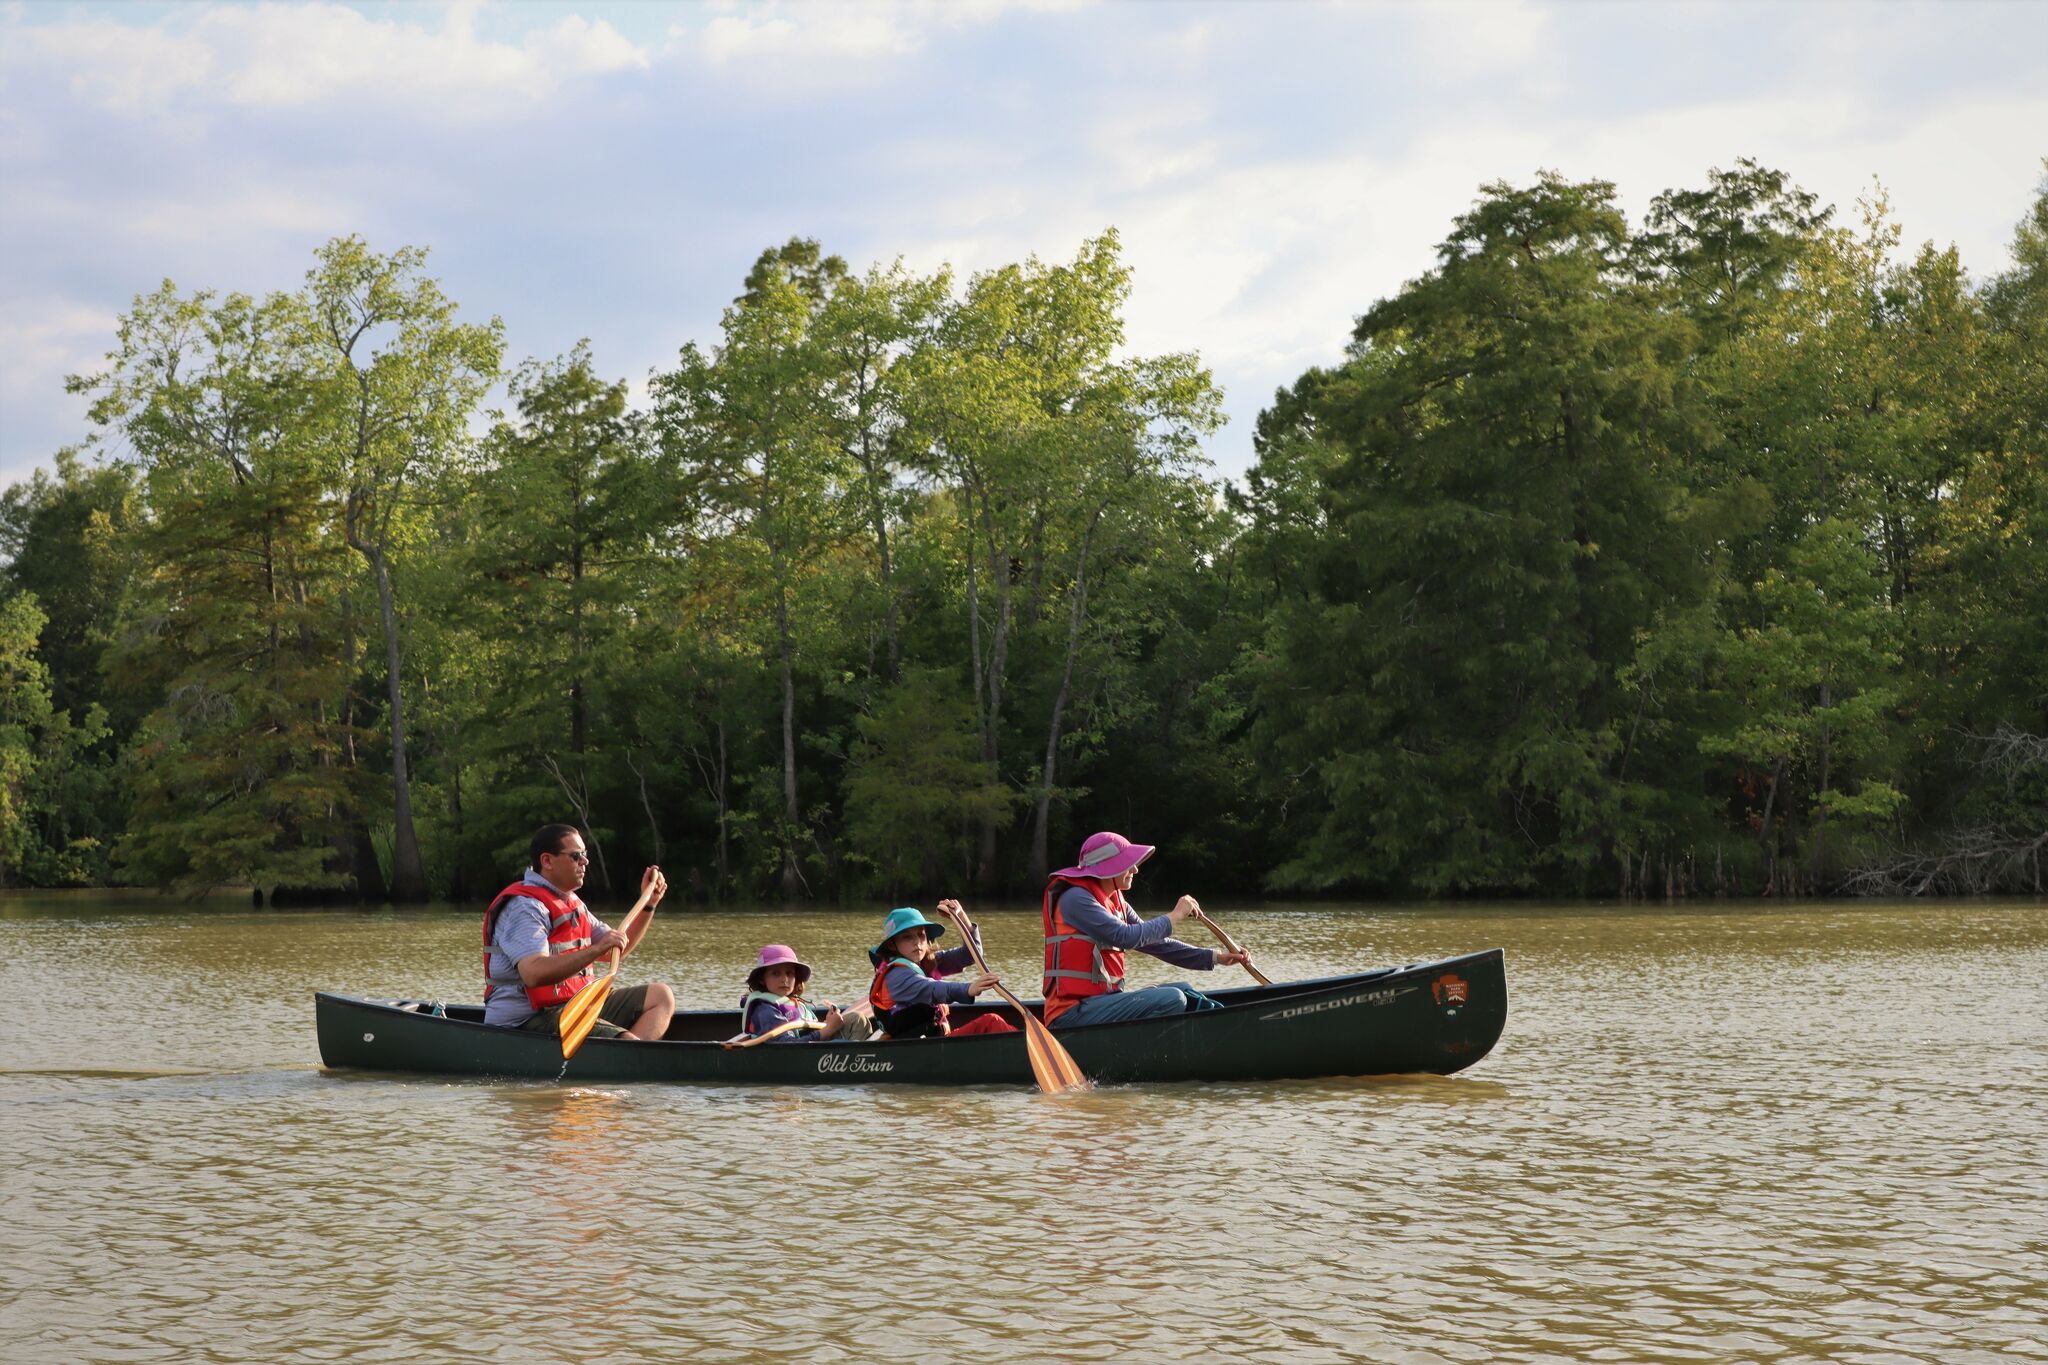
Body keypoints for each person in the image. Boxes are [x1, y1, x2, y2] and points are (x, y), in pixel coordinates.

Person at [1042, 830, 1254, 1030]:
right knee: (1173, 998)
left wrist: (1216, 957)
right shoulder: (1075, 899)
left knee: (1184, 989)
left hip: (1099, 1004)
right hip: (1070, 1015)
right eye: (1127, 864)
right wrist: (1176, 915)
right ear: (1107, 868)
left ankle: (1220, 1025)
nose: (1135, 869)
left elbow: (1156, 943)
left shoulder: (1117, 903)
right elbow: (1125, 937)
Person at [482, 823, 675, 1042]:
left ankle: (628, 1060)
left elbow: (615, 950)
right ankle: (629, 1057)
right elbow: (533, 973)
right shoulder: (525, 907)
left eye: (585, 854)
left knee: (661, 996)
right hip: (527, 1021)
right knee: (627, 1042)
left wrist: (649, 905)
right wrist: (595, 949)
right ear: (547, 861)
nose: (585, 861)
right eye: (576, 856)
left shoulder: (570, 902)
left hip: (574, 1005)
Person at [867, 902, 1019, 1040]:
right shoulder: (896, 975)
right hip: (922, 1050)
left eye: (921, 934)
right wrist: (968, 989)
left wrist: (960, 916)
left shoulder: (926, 962)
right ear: (893, 946)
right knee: (991, 1022)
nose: (917, 942)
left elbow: (971, 954)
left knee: (991, 1022)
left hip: (936, 1040)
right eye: (907, 937)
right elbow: (933, 989)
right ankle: (1029, 1052)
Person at [739, 944, 846, 1042]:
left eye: (789, 973)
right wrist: (828, 1030)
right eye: (776, 973)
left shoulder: (794, 1003)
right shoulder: (765, 1011)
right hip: (791, 1056)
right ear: (762, 979)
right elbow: (789, 1047)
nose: (784, 979)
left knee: (855, 1018)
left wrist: (827, 1024)